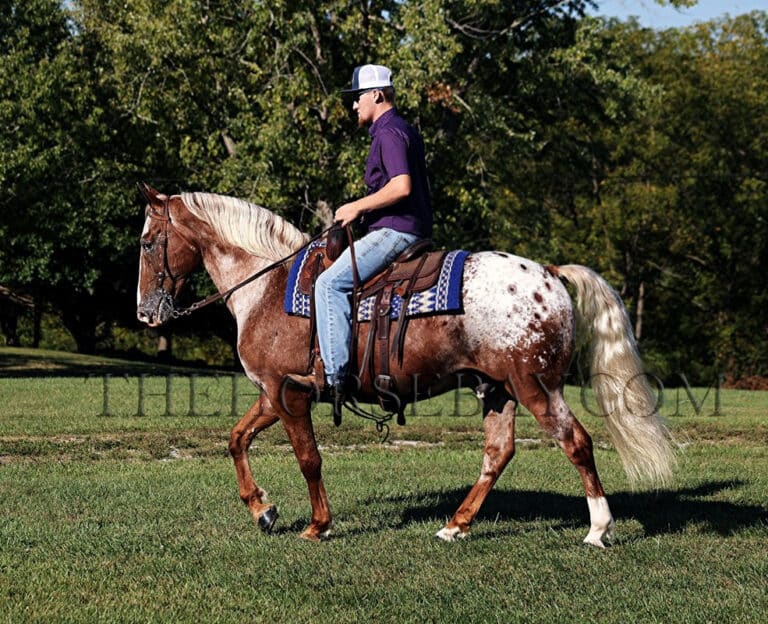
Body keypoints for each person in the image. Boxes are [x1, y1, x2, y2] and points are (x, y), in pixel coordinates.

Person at [288, 64, 433, 410]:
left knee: (327, 284)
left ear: (377, 95)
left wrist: (356, 207)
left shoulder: (389, 133)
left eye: (356, 98)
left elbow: (401, 186)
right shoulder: (403, 129)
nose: (353, 106)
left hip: (396, 230)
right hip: (407, 227)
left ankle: (333, 377)